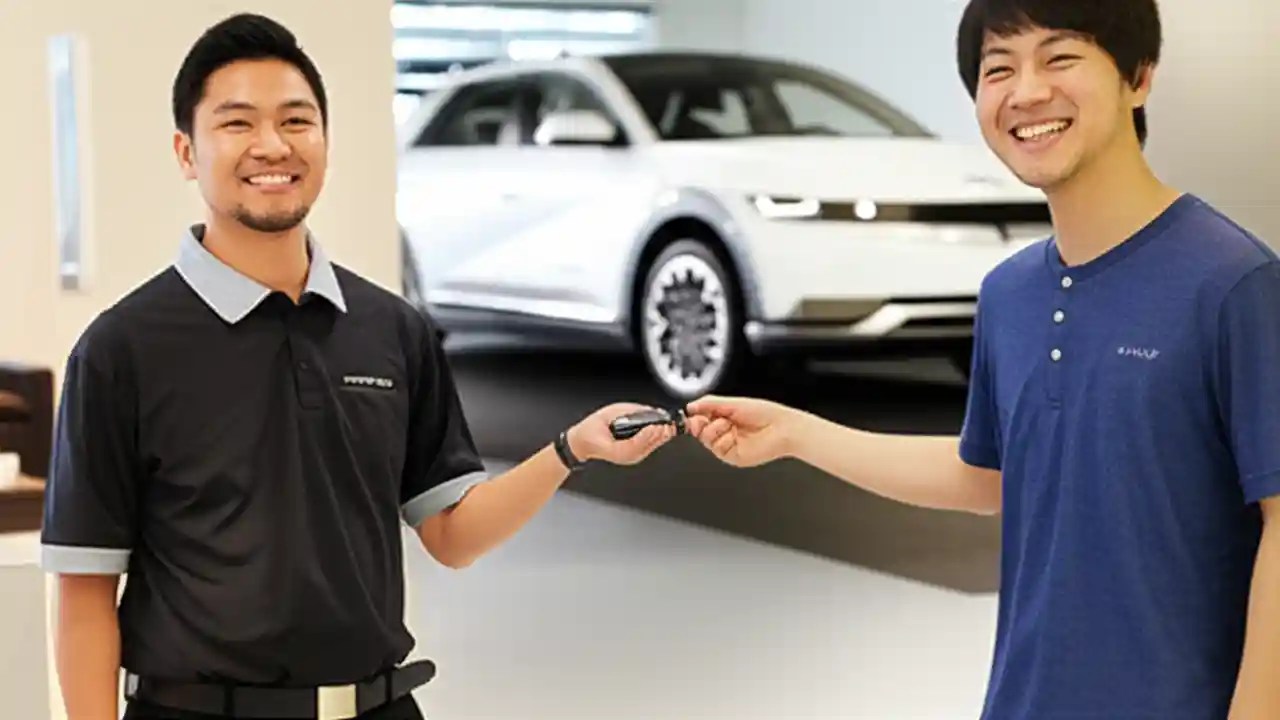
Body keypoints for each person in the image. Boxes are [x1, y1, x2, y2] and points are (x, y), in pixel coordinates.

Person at [39, 13, 676, 720]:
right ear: (187, 152)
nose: (272, 145)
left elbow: (453, 535)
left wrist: (569, 449)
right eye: (238, 124)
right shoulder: (121, 348)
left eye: (296, 120)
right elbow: (85, 595)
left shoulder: (392, 330)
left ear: (326, 142)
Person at [686, 0, 1280, 718]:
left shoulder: (1233, 283)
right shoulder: (1009, 294)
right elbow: (989, 475)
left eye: (1061, 57)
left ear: (1139, 77)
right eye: (999, 68)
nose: (1027, 92)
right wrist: (795, 434)